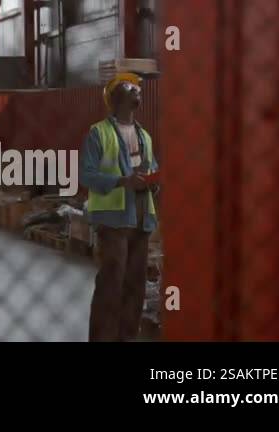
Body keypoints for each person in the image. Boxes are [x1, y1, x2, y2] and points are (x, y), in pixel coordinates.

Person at [80, 72, 159, 342]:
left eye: (138, 87)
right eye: (130, 86)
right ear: (114, 98)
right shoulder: (98, 133)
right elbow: (87, 175)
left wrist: (153, 181)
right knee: (111, 283)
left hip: (141, 217)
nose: (137, 89)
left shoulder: (144, 136)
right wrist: (122, 181)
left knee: (135, 285)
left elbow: (153, 168)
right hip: (113, 220)